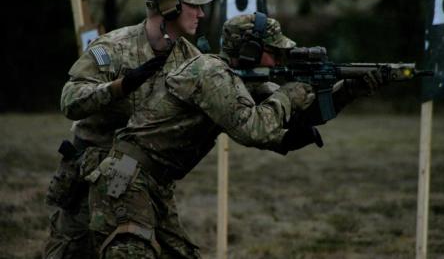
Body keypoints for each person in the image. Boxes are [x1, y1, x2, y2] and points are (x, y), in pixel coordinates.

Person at [86, 13, 384, 258]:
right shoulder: (212, 74)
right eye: (273, 52)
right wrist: (288, 96)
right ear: (249, 51)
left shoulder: (241, 81)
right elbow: (255, 129)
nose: (278, 60)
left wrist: (348, 91)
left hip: (151, 183)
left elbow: (293, 117)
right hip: (127, 178)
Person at [44, 0, 215, 259]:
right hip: (91, 177)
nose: (201, 12)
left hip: (148, 180)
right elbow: (70, 101)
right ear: (168, 6)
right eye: (193, 5)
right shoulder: (113, 48)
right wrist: (119, 87)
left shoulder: (191, 60)